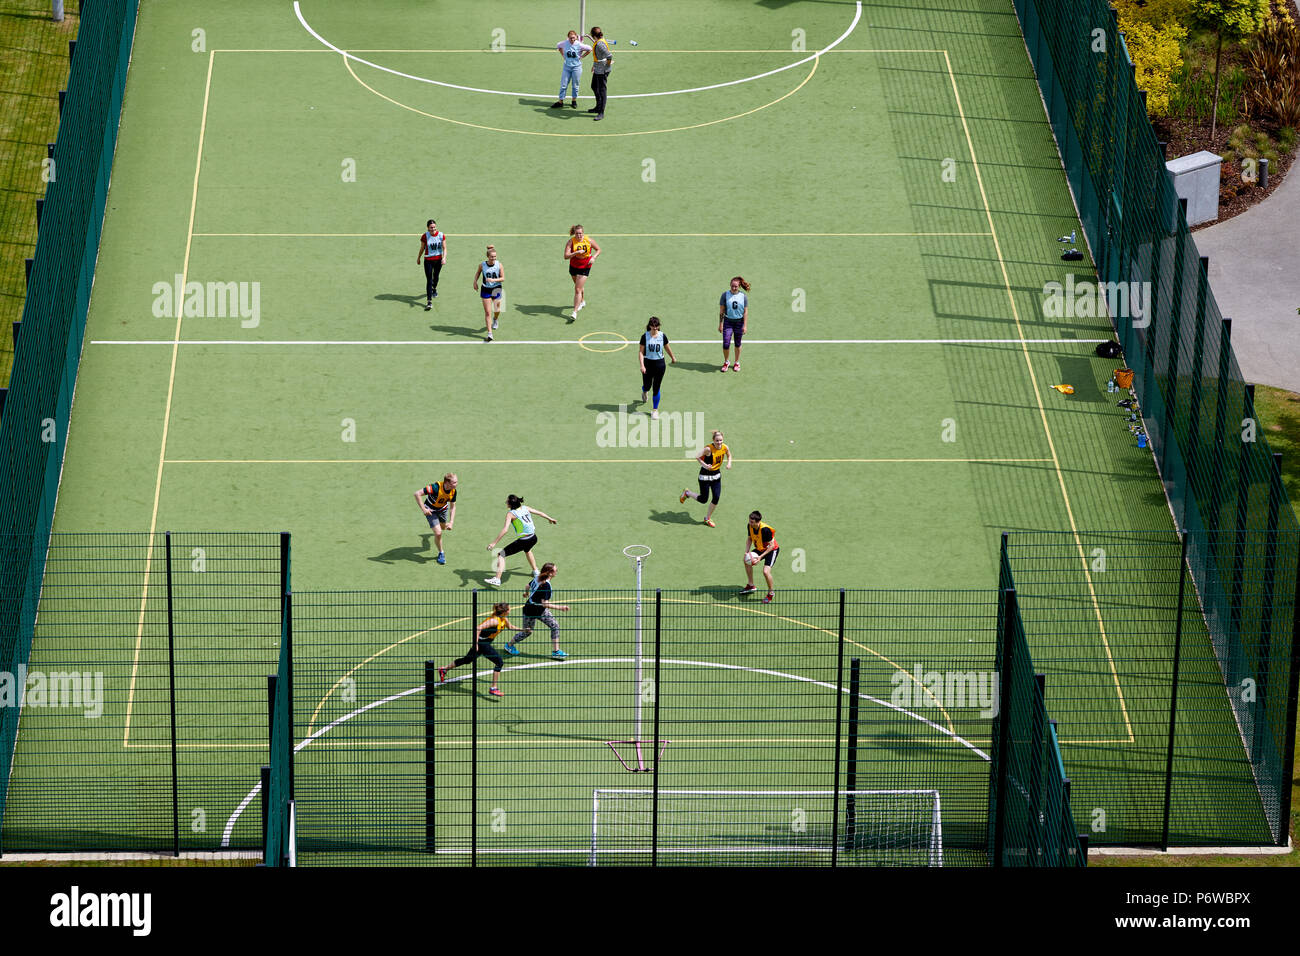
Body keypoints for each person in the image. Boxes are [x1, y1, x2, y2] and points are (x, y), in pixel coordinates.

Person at [438, 601, 511, 698]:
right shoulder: (494, 621)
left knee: (467, 660)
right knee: (499, 662)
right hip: (482, 643)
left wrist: (524, 630)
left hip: (485, 643)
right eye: (509, 609)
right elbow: (478, 628)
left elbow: (510, 627)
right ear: (504, 612)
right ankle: (493, 688)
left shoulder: (503, 619)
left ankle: (444, 669)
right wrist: (476, 644)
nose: (510, 610)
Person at [485, 494, 557, 586]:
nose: (506, 502)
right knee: (528, 550)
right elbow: (539, 513)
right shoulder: (525, 508)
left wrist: (493, 543)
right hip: (533, 538)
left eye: (507, 501)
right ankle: (535, 571)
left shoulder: (510, 514)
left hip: (524, 540)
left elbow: (505, 530)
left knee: (501, 554)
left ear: (511, 504)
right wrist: (550, 518)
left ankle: (497, 579)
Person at [504, 562, 570, 659]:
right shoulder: (546, 585)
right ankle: (509, 645)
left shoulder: (538, 577)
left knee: (555, 625)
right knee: (527, 632)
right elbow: (545, 604)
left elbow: (527, 585)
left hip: (539, 610)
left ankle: (556, 651)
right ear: (550, 573)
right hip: (531, 611)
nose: (557, 572)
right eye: (556, 570)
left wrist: (526, 593)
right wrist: (561, 608)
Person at [681, 430, 730, 527]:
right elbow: (697, 456)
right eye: (717, 440)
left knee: (716, 497)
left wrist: (729, 463)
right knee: (704, 499)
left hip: (716, 476)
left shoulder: (725, 447)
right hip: (705, 477)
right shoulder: (708, 449)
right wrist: (705, 465)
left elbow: (729, 455)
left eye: (720, 440)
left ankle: (707, 518)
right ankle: (687, 493)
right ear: (713, 440)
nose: (719, 442)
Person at [638, 316, 677, 421]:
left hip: (660, 364)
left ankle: (655, 410)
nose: (655, 328)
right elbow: (641, 352)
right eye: (653, 326)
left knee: (656, 387)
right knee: (647, 385)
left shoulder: (662, 336)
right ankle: (644, 391)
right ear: (650, 326)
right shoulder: (644, 337)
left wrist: (673, 357)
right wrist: (642, 365)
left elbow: (667, 347)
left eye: (657, 326)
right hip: (648, 363)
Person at [413, 473, 458, 564]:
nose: (456, 484)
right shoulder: (435, 487)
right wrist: (424, 509)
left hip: (442, 510)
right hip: (430, 511)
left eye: (456, 482)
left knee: (442, 528)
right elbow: (417, 494)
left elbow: (453, 507)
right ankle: (441, 553)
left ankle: (425, 537)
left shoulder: (453, 491)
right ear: (447, 482)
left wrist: (451, 522)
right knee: (438, 533)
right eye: (454, 482)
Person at [740, 510, 779, 603]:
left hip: (771, 550)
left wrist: (760, 557)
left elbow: (772, 546)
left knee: (766, 572)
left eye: (752, 522)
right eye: (749, 521)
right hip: (760, 548)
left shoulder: (765, 530)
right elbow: (749, 538)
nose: (750, 523)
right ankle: (751, 585)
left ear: (758, 522)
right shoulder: (750, 526)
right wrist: (747, 552)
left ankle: (771, 593)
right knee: (746, 560)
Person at [564, 225, 599, 318]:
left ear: (583, 233)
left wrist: (593, 257)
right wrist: (575, 253)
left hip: (585, 266)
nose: (579, 235)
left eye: (580, 233)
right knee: (579, 287)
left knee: (577, 289)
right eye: (577, 233)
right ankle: (582, 301)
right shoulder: (571, 242)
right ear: (574, 233)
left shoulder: (589, 240)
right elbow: (566, 256)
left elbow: (598, 250)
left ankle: (574, 312)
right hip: (574, 266)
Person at [472, 245, 504, 341]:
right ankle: (490, 334)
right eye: (492, 257)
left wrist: (493, 280)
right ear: (488, 256)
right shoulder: (482, 265)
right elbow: (478, 273)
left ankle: (496, 319)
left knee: (497, 309)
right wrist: (475, 281)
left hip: (497, 288)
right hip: (486, 289)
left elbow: (503, 278)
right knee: (487, 312)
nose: (493, 258)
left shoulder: (499, 265)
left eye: (495, 256)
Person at [552, 30, 591, 108]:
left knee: (575, 85)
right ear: (568, 38)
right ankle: (560, 101)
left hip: (576, 68)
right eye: (570, 38)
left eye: (573, 38)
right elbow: (558, 46)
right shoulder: (564, 43)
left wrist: (582, 56)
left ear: (576, 37)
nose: (572, 39)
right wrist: (563, 55)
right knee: (563, 84)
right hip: (566, 67)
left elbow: (589, 49)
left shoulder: (579, 44)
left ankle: (574, 100)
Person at [719, 276, 750, 371]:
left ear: (739, 286)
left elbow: (745, 312)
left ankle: (736, 362)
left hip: (739, 322)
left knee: (737, 343)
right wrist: (721, 324)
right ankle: (726, 362)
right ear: (730, 285)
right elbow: (721, 311)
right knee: (726, 343)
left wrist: (745, 325)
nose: (734, 288)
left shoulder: (743, 296)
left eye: (736, 286)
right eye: (732, 286)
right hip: (728, 322)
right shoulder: (725, 295)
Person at [417, 219, 447, 310]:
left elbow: (445, 248)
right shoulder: (424, 236)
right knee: (429, 279)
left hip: (438, 260)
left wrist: (444, 258)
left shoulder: (441, 235)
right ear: (428, 228)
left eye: (434, 227)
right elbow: (422, 248)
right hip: (428, 260)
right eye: (431, 227)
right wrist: (418, 257)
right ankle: (429, 301)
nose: (433, 229)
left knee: (436, 277)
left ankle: (434, 288)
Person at [587, 26, 612, 121]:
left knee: (602, 90)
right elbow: (597, 50)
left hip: (602, 70)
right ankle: (598, 106)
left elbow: (609, 55)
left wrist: (607, 65)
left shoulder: (600, 44)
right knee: (594, 86)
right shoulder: (599, 41)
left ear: (594, 35)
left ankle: (601, 112)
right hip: (598, 68)